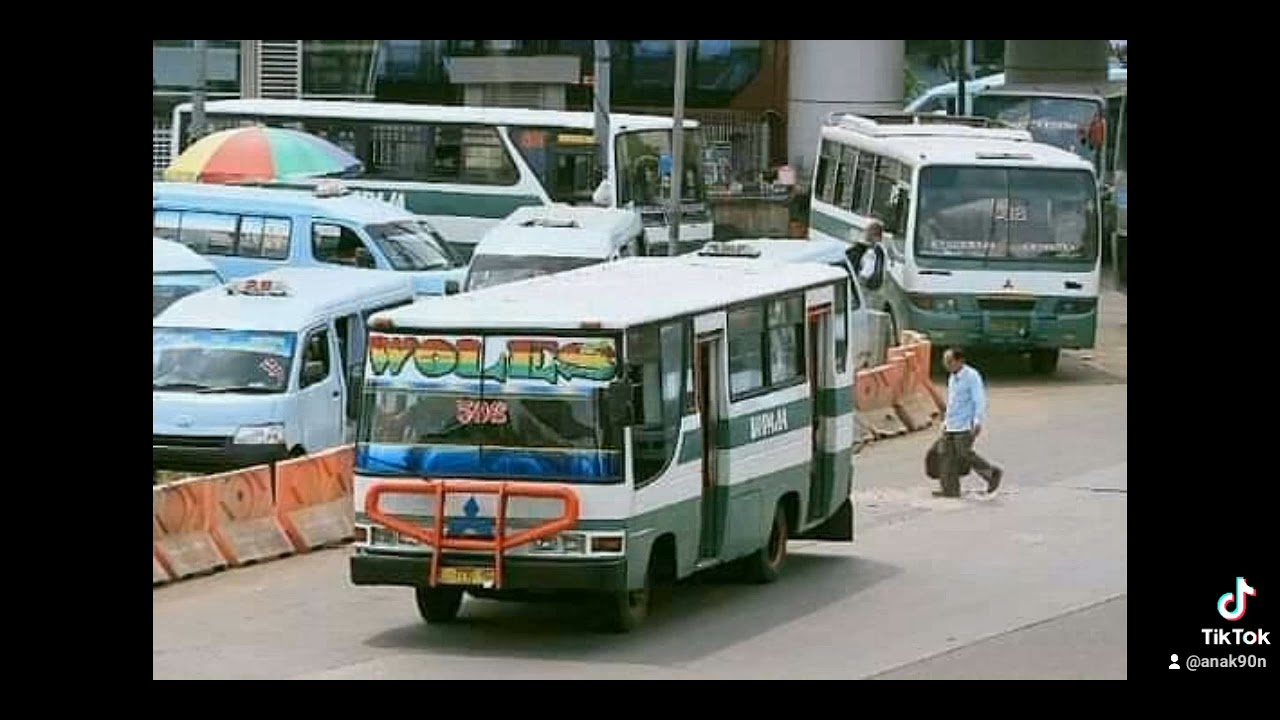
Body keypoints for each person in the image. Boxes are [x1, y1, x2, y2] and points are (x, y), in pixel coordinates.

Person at [928, 347, 1003, 497]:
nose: (946, 365)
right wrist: (945, 421)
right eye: (945, 361)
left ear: (960, 361)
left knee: (964, 453)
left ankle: (991, 473)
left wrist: (977, 420)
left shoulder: (971, 376)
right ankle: (950, 489)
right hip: (951, 424)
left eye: (950, 361)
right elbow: (953, 402)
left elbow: (979, 399)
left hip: (965, 424)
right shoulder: (952, 377)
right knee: (946, 455)